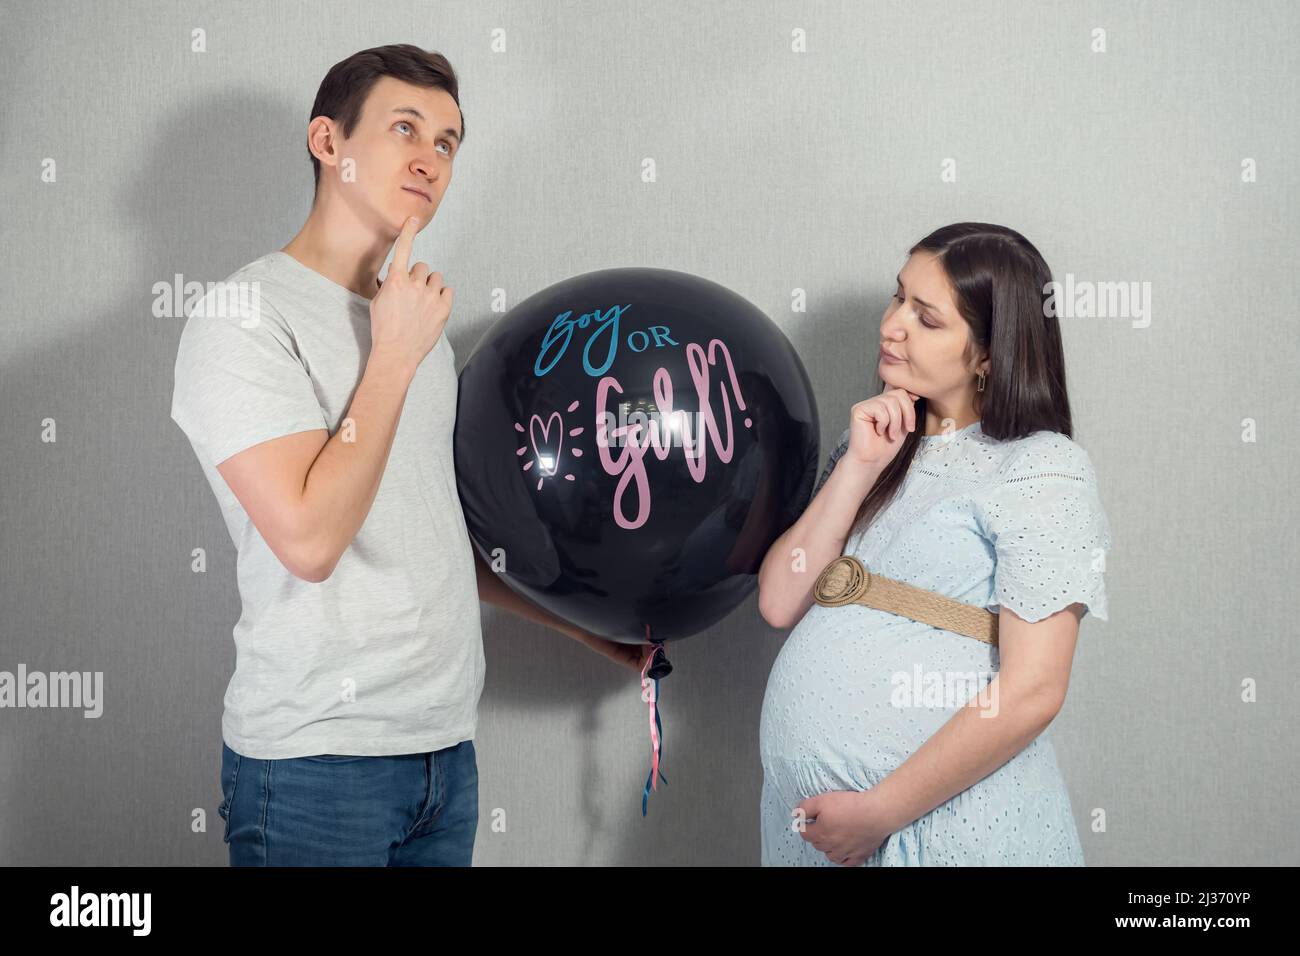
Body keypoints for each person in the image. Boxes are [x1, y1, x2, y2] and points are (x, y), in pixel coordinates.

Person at [170, 44, 651, 867]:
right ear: (329, 142)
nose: (430, 159)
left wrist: (584, 627)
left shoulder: (410, 324)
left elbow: (429, 538)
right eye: (405, 129)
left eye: (448, 142)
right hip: (315, 760)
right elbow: (313, 541)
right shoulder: (244, 317)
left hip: (443, 754)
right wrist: (391, 353)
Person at [756, 222, 1113, 866]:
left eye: (926, 317)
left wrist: (879, 812)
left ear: (987, 354)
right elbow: (780, 600)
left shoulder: (1041, 468)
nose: (892, 325)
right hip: (816, 840)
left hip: (948, 832)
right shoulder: (875, 447)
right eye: (898, 299)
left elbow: (1034, 689)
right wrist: (859, 465)